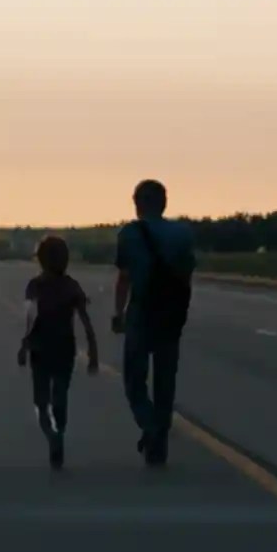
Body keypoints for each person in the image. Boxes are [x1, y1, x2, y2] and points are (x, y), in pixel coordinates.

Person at [113, 179, 195, 466]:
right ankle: (160, 433)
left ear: (137, 203)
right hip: (171, 314)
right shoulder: (183, 233)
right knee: (165, 379)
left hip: (141, 311)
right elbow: (187, 276)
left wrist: (118, 313)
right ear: (164, 202)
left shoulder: (129, 234)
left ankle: (150, 426)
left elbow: (124, 277)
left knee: (134, 379)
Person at [19, 235, 99, 470]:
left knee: (40, 401)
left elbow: (30, 319)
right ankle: (59, 433)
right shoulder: (71, 286)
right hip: (64, 348)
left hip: (40, 349)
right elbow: (86, 322)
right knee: (60, 395)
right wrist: (93, 351)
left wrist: (23, 346)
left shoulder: (34, 286)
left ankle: (52, 436)